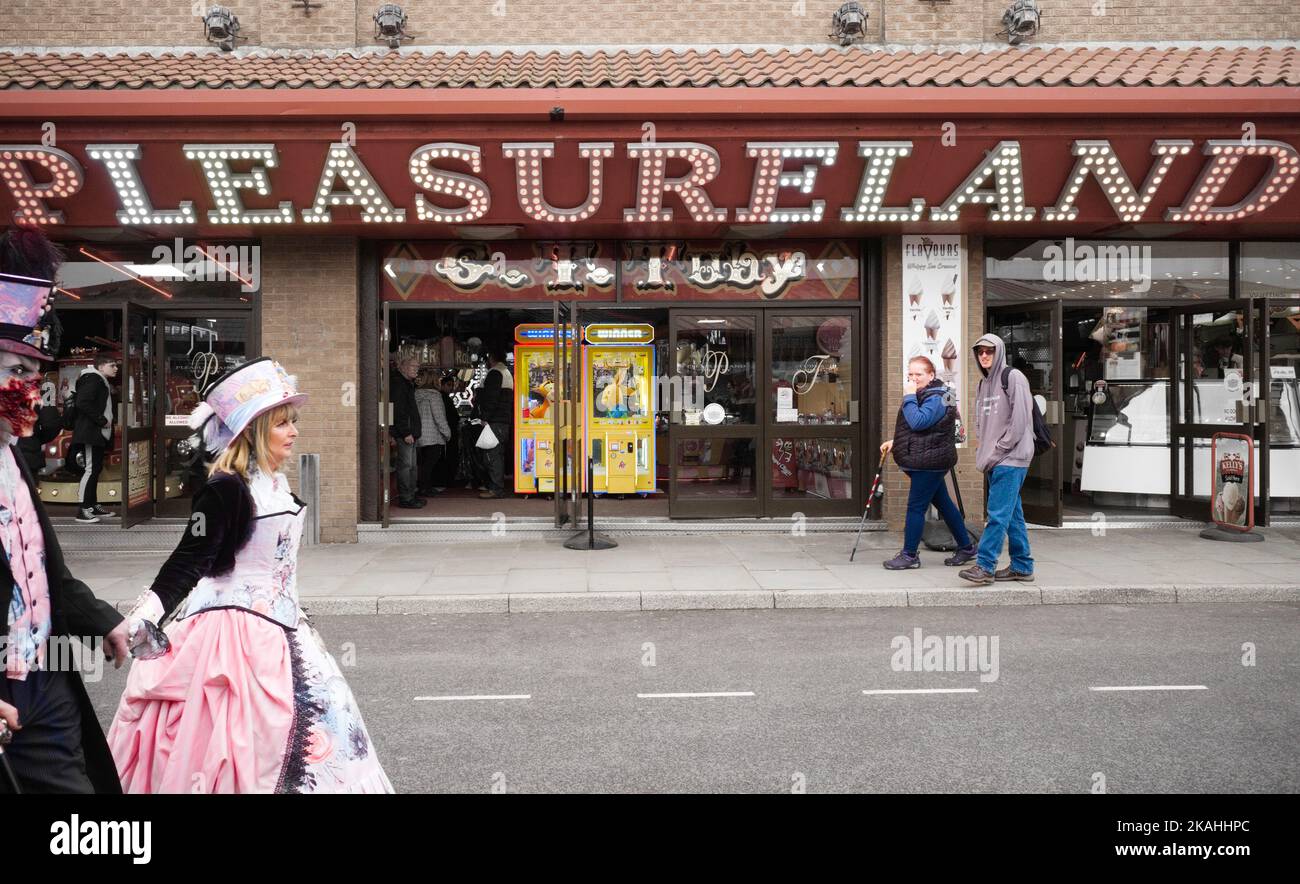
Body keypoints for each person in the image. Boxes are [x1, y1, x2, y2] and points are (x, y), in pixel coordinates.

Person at [107, 357, 393, 793]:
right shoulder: (226, 489)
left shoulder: (271, 483)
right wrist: (145, 616)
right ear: (255, 430)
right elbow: (189, 560)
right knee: (232, 740)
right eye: (282, 424)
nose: (294, 432)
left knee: (321, 725)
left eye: (292, 422)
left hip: (283, 629)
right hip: (231, 637)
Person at [0, 226, 129, 794]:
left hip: (44, 684)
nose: (31, 390)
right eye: (15, 372)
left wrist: (101, 618)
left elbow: (39, 570)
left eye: (32, 374)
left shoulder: (13, 456)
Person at [879, 356, 976, 570]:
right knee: (944, 504)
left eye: (918, 374)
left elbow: (918, 421)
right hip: (929, 457)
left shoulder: (937, 397)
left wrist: (909, 397)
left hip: (929, 462)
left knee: (915, 507)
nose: (913, 379)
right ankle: (967, 548)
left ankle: (910, 555)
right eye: (910, 374)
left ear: (931, 375)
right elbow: (929, 430)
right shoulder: (928, 395)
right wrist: (896, 441)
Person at [959, 334, 1035, 585]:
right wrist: (983, 449)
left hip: (1010, 458)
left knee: (997, 514)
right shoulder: (983, 384)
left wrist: (999, 449)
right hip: (994, 459)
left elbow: (1020, 421)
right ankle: (1022, 566)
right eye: (980, 352)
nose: (984, 356)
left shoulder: (1013, 378)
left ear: (999, 352)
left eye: (989, 351)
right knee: (1012, 514)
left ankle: (985, 565)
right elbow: (980, 422)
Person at [71, 353, 118, 523]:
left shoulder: (98, 380)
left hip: (95, 432)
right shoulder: (93, 378)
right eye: (112, 365)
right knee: (91, 469)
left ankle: (92, 505)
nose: (116, 368)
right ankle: (83, 509)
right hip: (91, 432)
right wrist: (101, 420)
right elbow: (82, 402)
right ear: (100, 367)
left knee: (95, 469)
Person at [473, 345, 513, 499]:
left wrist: (485, 417)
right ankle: (495, 485)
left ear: (491, 358)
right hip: (503, 421)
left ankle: (496, 488)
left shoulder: (495, 373)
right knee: (498, 454)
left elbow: (491, 398)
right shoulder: (506, 372)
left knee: (491, 455)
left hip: (495, 421)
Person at [389, 355, 424, 509]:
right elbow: (399, 411)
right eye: (413, 366)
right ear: (402, 367)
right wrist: (405, 432)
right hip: (406, 433)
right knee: (406, 466)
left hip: (410, 432)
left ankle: (411, 495)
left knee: (412, 466)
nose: (416, 369)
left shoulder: (406, 383)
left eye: (417, 367)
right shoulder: (399, 384)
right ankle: (406, 498)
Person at [414, 368, 451, 498]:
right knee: (430, 463)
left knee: (423, 462)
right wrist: (447, 433)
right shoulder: (434, 395)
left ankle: (423, 487)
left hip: (419, 434)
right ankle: (425, 488)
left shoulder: (416, 394)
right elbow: (439, 417)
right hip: (433, 435)